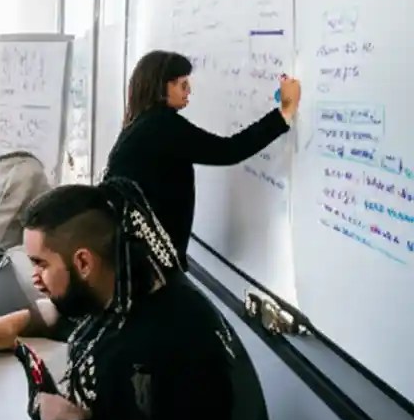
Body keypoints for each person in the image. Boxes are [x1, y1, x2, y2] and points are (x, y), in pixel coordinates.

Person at [0, 180, 283, 420]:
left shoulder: (152, 344)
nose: (35, 277)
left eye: (41, 264)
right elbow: (51, 314)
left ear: (83, 262)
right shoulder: (133, 288)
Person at [105, 50, 301, 265]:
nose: (189, 91)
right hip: (147, 261)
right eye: (182, 85)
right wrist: (284, 113)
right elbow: (228, 150)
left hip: (131, 252)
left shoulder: (140, 123)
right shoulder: (161, 125)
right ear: (162, 87)